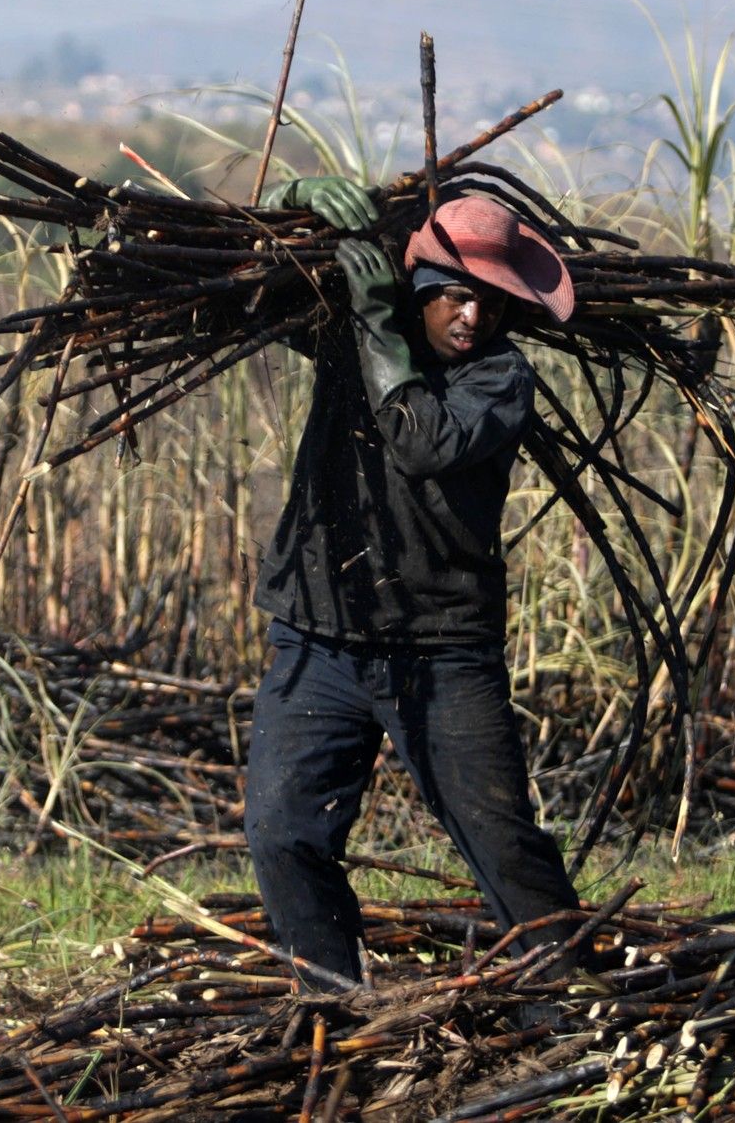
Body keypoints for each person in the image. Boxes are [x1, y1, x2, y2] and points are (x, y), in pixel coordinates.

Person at [245, 174, 588, 990]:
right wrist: (296, 196)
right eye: (457, 297)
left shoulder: (500, 380)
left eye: (492, 303)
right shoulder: (349, 329)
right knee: (283, 832)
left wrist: (376, 322)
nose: (474, 317)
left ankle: (567, 1002)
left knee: (501, 844)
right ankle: (330, 1003)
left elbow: (421, 441)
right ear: (421, 290)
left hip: (442, 650)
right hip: (320, 636)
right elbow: (254, 287)